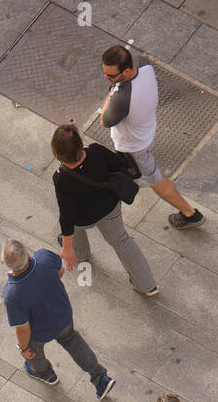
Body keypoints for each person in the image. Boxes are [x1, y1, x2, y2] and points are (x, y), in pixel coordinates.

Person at [100, 44, 205, 230]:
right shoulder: (143, 65)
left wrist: (111, 93)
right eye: (105, 73)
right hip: (146, 129)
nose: (106, 78)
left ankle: (190, 214)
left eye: (111, 76)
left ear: (125, 71)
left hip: (134, 148)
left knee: (154, 178)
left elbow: (105, 120)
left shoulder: (121, 98)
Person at [0, 238, 115, 400]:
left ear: (3, 262)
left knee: (34, 353)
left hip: (39, 331)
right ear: (28, 253)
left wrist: (24, 348)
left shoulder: (12, 295)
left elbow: (23, 328)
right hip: (63, 315)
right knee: (73, 341)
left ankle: (46, 374)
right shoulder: (44, 257)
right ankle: (100, 378)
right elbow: (59, 272)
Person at [51, 123, 158, 296]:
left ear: (57, 153)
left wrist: (66, 245)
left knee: (74, 230)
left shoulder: (61, 178)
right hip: (110, 207)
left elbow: (67, 214)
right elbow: (120, 166)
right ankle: (146, 285)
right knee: (121, 240)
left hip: (82, 219)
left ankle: (81, 253)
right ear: (79, 144)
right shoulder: (96, 151)